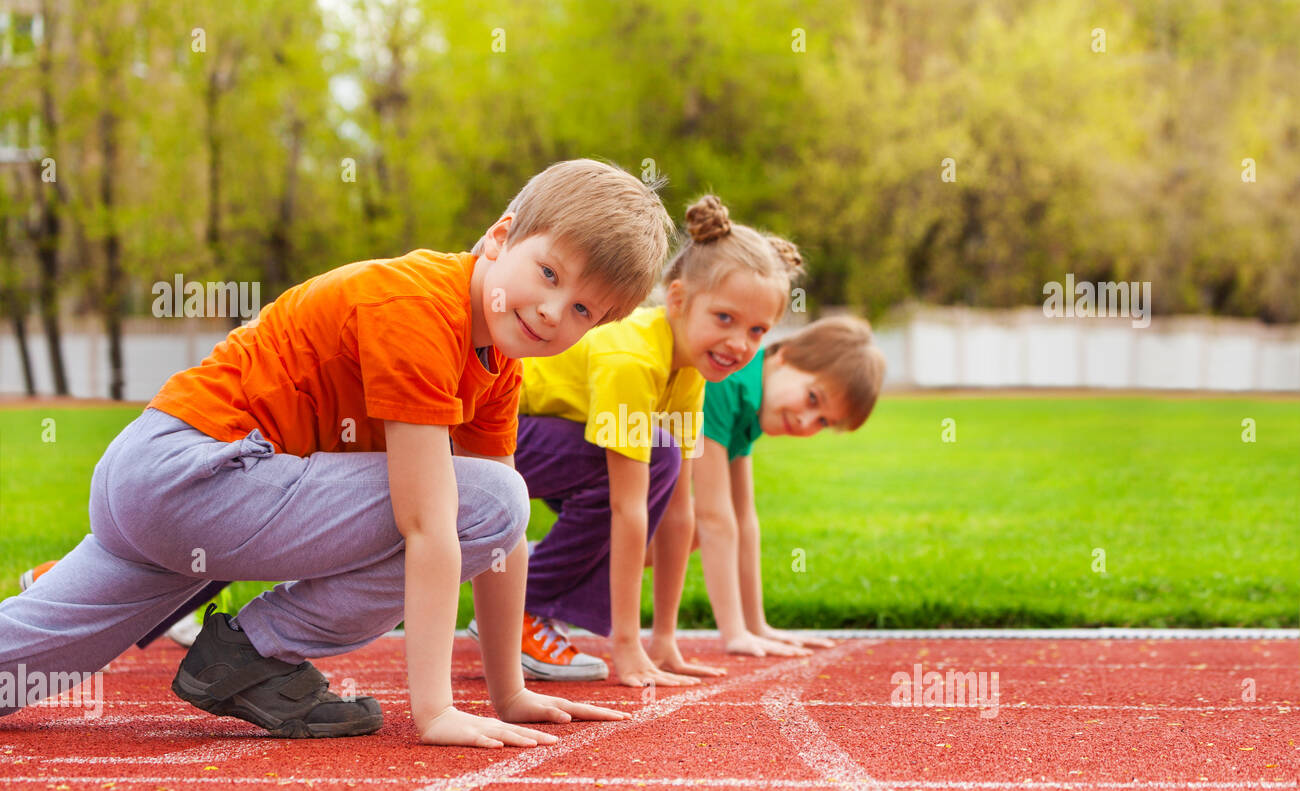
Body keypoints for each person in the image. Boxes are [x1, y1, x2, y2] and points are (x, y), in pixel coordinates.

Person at [0, 158, 672, 747]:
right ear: (501, 236)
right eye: (549, 273)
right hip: (196, 476)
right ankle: (254, 651)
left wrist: (509, 694)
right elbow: (433, 525)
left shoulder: (497, 365)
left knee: (17, 666)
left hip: (164, 489)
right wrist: (435, 711)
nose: (554, 311)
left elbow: (501, 542)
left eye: (583, 310)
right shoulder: (418, 307)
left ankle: (245, 653)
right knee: (487, 499)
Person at [499, 195, 803, 687]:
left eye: (756, 330)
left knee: (661, 467)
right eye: (724, 318)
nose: (739, 344)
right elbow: (629, 511)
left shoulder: (689, 369)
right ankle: (521, 609)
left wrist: (665, 639)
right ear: (679, 300)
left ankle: (532, 583)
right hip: (484, 436)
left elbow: (678, 514)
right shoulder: (633, 359)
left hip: (537, 441)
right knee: (654, 461)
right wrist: (627, 646)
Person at [692, 316, 887, 656]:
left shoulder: (751, 402)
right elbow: (714, 518)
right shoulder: (728, 381)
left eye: (823, 422)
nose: (806, 422)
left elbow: (744, 519)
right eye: (813, 399)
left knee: (694, 525)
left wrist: (756, 625)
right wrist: (735, 634)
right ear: (785, 355)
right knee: (687, 526)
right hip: (595, 453)